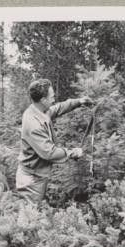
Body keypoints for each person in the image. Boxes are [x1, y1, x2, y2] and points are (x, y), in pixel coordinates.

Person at [16, 78, 93, 206]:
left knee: (33, 214)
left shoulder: (39, 111)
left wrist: (79, 101)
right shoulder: (33, 123)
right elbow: (49, 153)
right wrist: (73, 152)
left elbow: (57, 108)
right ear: (43, 100)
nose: (54, 99)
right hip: (31, 180)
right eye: (51, 97)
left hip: (36, 176)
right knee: (29, 218)